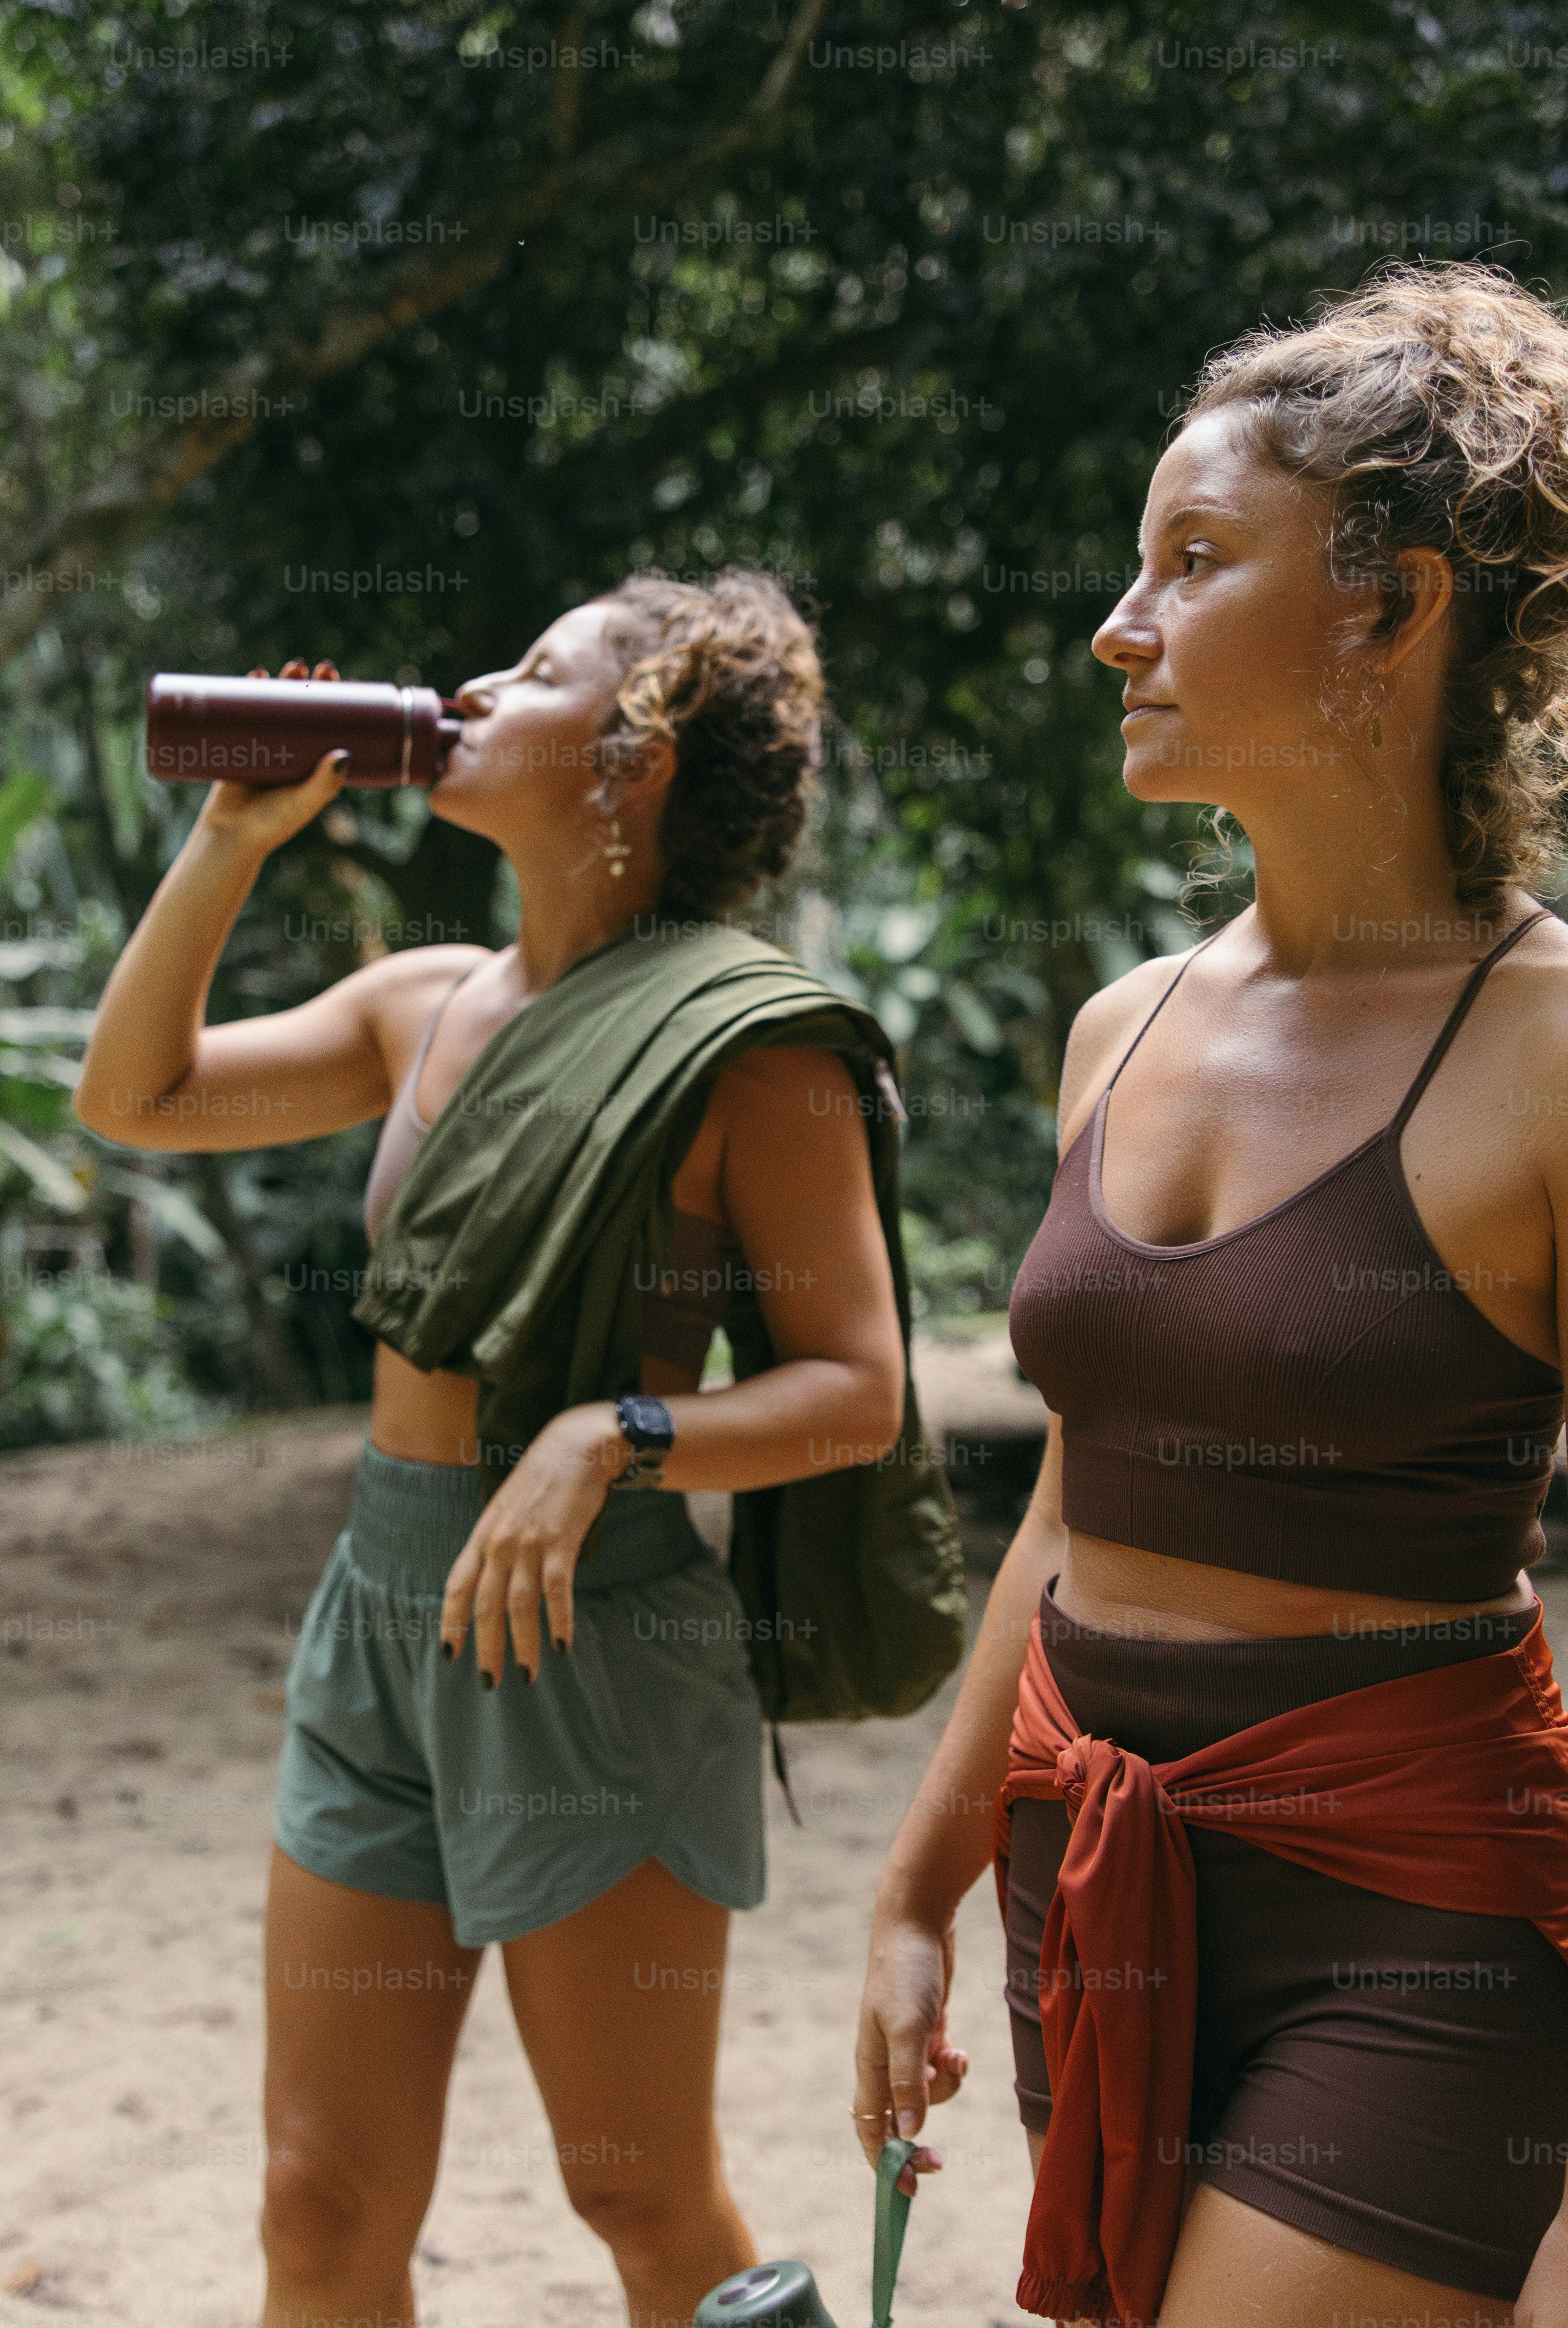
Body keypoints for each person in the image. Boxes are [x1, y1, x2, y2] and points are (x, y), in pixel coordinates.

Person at [850, 261, 1568, 2328]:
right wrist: (910, 1886)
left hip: (1421, 1923)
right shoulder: (1117, 1025)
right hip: (1094, 1881)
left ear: (1392, 605)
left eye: (1191, 562)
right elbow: (1078, 1508)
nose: (1119, 625)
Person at [77, 572, 921, 2328]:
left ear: (635, 757)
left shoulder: (743, 1053)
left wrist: (614, 1437)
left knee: (630, 2187)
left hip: (582, 1635)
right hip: (378, 1609)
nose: (468, 685)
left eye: (535, 671)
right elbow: (134, 1095)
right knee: (316, 2201)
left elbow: (858, 1388)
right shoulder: (427, 1003)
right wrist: (231, 841)